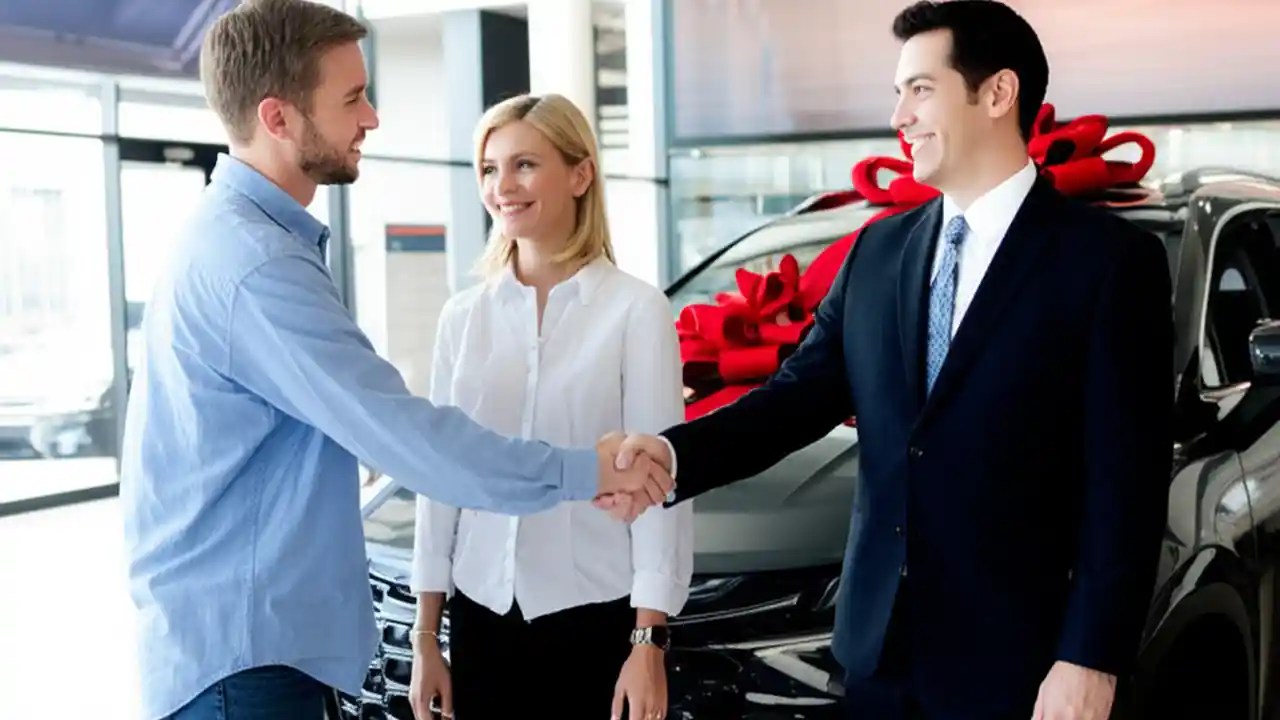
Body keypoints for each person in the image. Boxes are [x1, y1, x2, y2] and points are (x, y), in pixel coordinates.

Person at [601, 1, 1173, 718]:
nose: (899, 116)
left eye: (920, 89)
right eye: (896, 93)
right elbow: (794, 399)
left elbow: (1125, 484)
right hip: (876, 651)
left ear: (997, 93)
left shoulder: (1108, 264)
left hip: (1023, 660)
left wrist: (1090, 657)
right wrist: (668, 458)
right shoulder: (878, 253)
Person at [119, 2, 671, 719]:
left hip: (248, 652)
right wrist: (588, 468)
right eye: (351, 98)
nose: (373, 116)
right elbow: (410, 440)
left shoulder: (247, 244)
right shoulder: (255, 268)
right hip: (246, 662)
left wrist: (649, 633)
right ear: (278, 117)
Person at [403, 93, 693, 720]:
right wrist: (428, 636)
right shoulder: (462, 318)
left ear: (581, 174)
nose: (502, 186)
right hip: (481, 619)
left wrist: (648, 644)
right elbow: (438, 480)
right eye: (488, 168)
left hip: (594, 622)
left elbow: (660, 488)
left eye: (525, 165)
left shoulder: (636, 311)